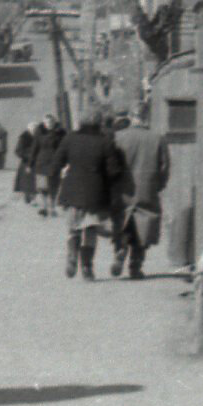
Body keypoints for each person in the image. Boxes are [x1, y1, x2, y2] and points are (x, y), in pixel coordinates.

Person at [55, 110, 125, 280]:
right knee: (91, 230)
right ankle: (87, 267)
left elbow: (57, 162)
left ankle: (72, 254)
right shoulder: (105, 141)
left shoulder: (70, 138)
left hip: (72, 191)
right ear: (99, 123)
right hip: (96, 192)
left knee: (74, 227)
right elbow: (113, 170)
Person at [112, 108, 170, 280]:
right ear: (147, 118)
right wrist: (159, 185)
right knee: (144, 227)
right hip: (147, 187)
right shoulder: (157, 138)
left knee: (123, 221)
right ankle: (135, 266)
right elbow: (164, 166)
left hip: (123, 189)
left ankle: (121, 248)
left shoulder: (118, 137)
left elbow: (110, 162)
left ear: (131, 117)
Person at [33, 116, 65, 217]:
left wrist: (65, 162)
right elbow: (35, 147)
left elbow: (64, 148)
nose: (49, 124)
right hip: (41, 162)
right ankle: (44, 207)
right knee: (42, 187)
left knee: (53, 187)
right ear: (44, 123)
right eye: (47, 122)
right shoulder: (39, 132)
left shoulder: (61, 132)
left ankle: (52, 208)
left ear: (54, 122)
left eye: (51, 122)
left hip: (54, 163)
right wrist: (30, 163)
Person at [13, 122, 38, 204]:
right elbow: (18, 151)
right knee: (27, 181)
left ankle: (33, 198)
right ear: (28, 129)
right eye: (32, 128)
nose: (34, 130)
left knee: (35, 181)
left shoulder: (39, 136)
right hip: (26, 162)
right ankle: (28, 196)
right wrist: (28, 155)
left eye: (35, 128)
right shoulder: (23, 137)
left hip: (37, 162)